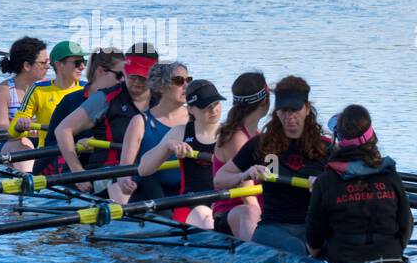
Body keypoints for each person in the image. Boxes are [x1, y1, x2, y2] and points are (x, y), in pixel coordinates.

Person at [213, 74, 330, 250]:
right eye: (284, 111)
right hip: (273, 226)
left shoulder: (326, 147)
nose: (289, 117)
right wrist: (244, 174)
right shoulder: (262, 145)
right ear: (276, 111)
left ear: (306, 109)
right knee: (296, 248)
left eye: (295, 110)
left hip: (312, 224)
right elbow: (219, 179)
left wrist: (326, 183)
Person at [306, 105, 412, 263]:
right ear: (372, 137)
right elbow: (407, 225)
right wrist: (394, 250)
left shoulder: (325, 181)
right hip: (390, 258)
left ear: (339, 141)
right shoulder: (391, 176)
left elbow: (313, 243)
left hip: (343, 262)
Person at [54, 43, 158, 190]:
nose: (136, 81)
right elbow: (63, 130)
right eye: (132, 75)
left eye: (142, 77)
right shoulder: (105, 98)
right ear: (125, 70)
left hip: (147, 171)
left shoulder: (162, 100)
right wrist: (78, 172)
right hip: (107, 172)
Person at [137, 78, 223, 228]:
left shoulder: (230, 134)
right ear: (190, 109)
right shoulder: (180, 132)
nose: (213, 110)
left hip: (221, 202)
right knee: (208, 219)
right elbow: (143, 169)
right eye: (205, 107)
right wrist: (168, 146)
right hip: (189, 204)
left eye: (216, 103)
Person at [115, 62, 191, 204]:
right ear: (161, 86)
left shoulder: (195, 118)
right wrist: (124, 181)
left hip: (185, 191)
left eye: (188, 80)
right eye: (179, 81)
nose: (186, 86)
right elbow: (124, 169)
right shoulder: (139, 122)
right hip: (150, 193)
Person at [43, 47, 124, 175]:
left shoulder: (123, 102)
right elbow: (52, 145)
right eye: (120, 75)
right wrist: (77, 149)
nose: (124, 81)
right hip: (63, 167)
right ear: (100, 71)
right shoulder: (71, 101)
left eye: (127, 76)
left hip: (103, 166)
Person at [8, 39, 84, 172]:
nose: (82, 67)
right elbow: (12, 132)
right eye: (77, 63)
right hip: (50, 154)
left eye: (84, 62)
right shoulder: (38, 89)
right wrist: (21, 126)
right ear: (59, 65)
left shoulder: (88, 89)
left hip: (82, 152)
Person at [210, 71, 270, 239]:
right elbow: (248, 197)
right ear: (265, 101)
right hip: (233, 212)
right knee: (250, 211)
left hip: (258, 208)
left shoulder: (257, 134)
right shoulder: (237, 139)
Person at [0, 36, 48, 159]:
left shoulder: (49, 87)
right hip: (13, 143)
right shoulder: (3, 91)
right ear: (27, 66)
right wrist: (23, 128)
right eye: (43, 63)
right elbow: (0, 128)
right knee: (22, 143)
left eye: (49, 62)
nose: (48, 67)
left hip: (44, 141)